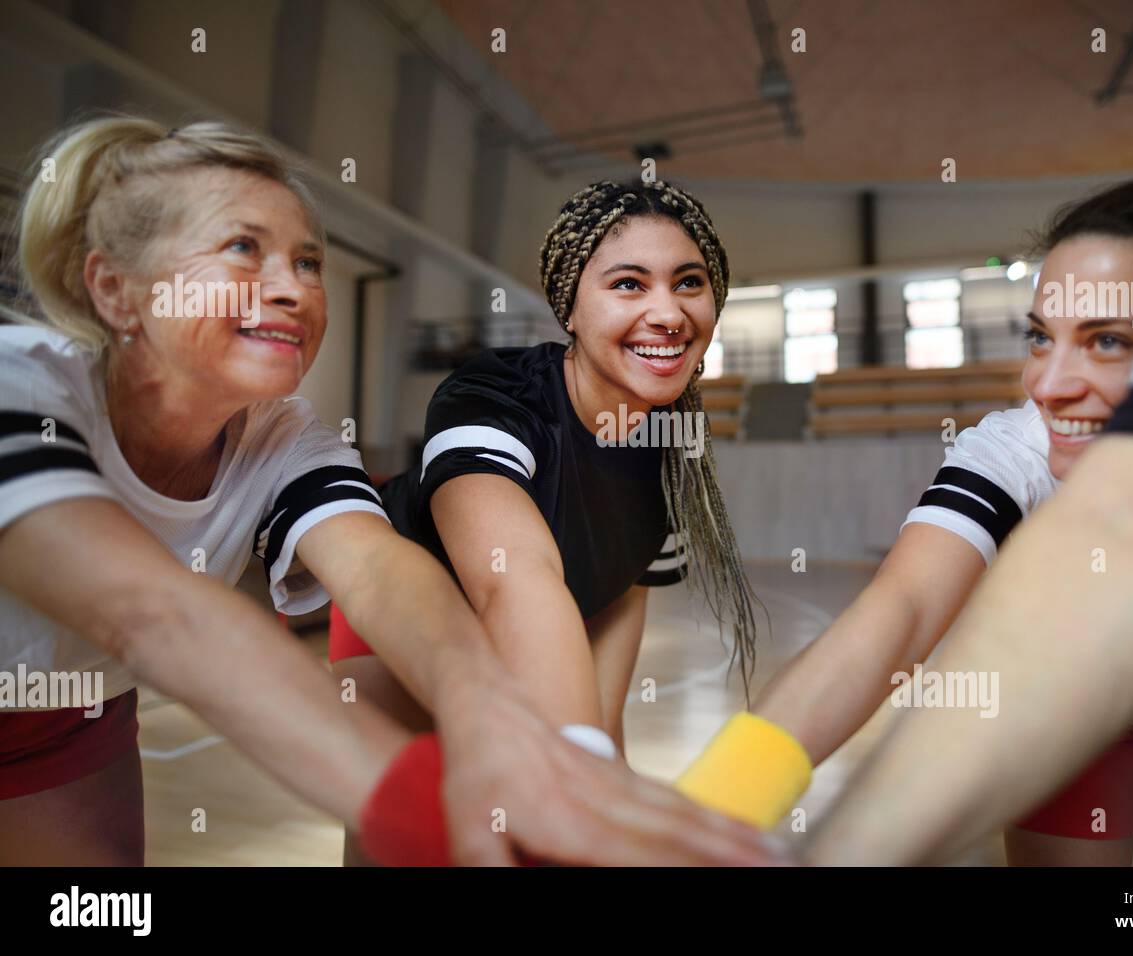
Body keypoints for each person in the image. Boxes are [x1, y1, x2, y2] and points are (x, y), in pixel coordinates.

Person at [0, 117, 778, 867]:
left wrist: (517, 731)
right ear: (114, 289)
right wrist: (436, 804)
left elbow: (378, 569)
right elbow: (149, 614)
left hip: (76, 717)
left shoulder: (283, 437)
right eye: (245, 249)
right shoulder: (20, 384)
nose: (292, 289)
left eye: (308, 263)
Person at [679, 176, 1133, 866]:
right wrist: (707, 809)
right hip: (1076, 684)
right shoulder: (1020, 444)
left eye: (1109, 342)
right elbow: (903, 607)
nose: (1047, 384)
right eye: (1041, 337)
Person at [329, 178, 768, 863]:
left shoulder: (672, 449)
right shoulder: (491, 397)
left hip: (546, 627)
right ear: (570, 306)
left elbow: (611, 637)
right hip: (402, 612)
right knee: (417, 823)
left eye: (689, 282)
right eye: (628, 284)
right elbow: (516, 580)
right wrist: (580, 772)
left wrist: (602, 778)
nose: (669, 311)